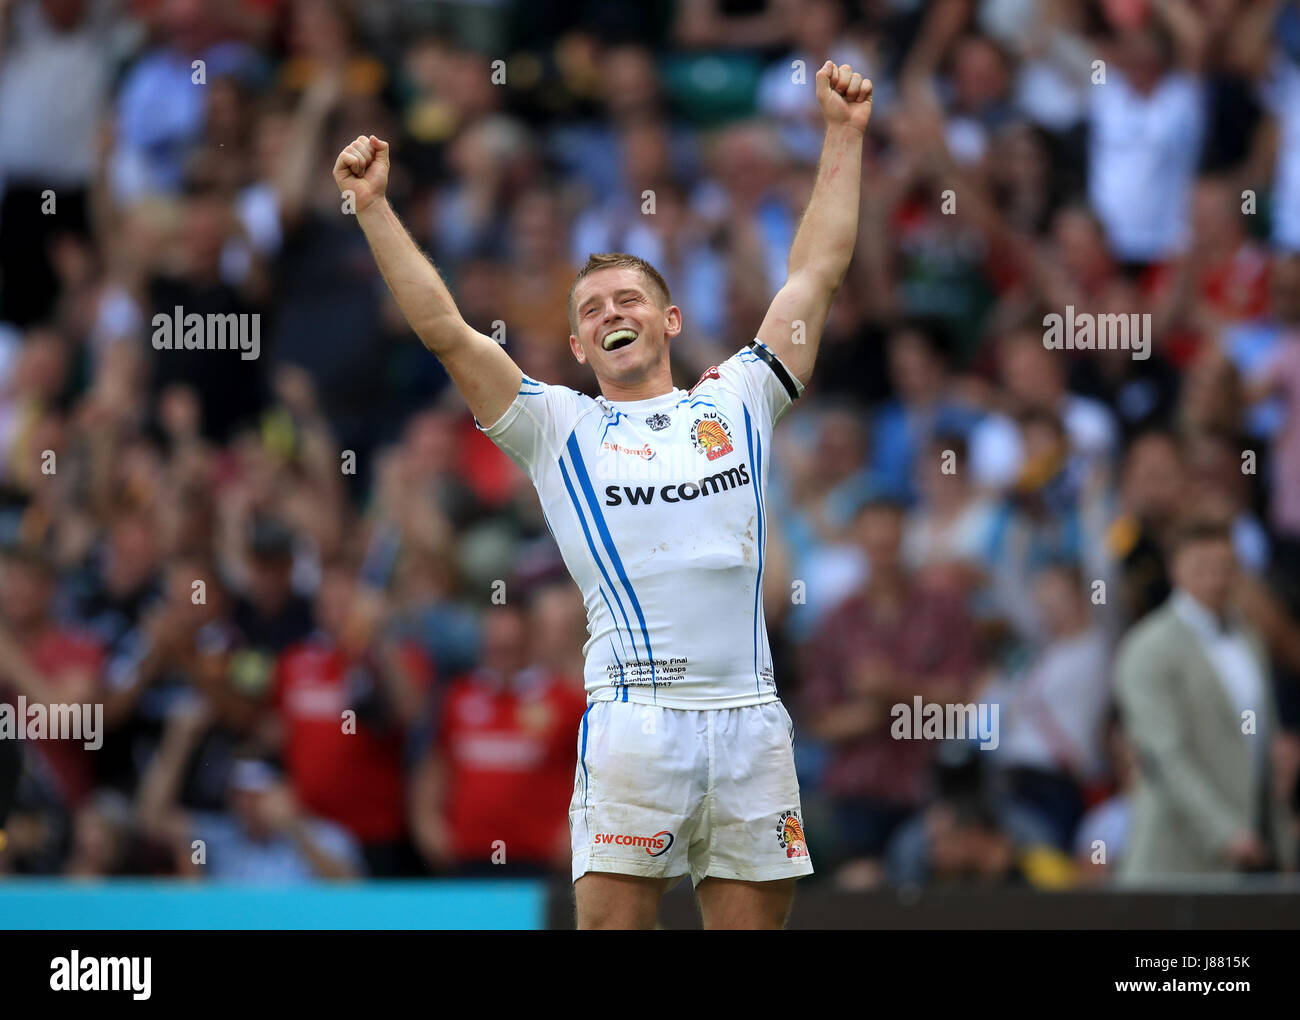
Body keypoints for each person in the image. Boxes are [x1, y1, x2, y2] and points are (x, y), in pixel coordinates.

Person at [334, 60, 875, 928]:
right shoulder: (558, 426)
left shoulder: (739, 395)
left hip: (749, 722)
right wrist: (375, 209)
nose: (610, 310)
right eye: (590, 308)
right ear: (581, 347)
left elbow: (814, 274)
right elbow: (444, 329)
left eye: (630, 296)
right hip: (637, 725)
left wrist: (844, 136)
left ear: (670, 322)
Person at [1113, 519, 1297, 878]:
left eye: (1224, 567)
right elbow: (1166, 755)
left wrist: (1281, 837)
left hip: (1252, 851)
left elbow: (1267, 742)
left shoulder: (1249, 638)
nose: (1215, 579)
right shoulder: (1147, 648)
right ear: (1175, 568)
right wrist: (1226, 832)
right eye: (1202, 567)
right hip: (1176, 858)